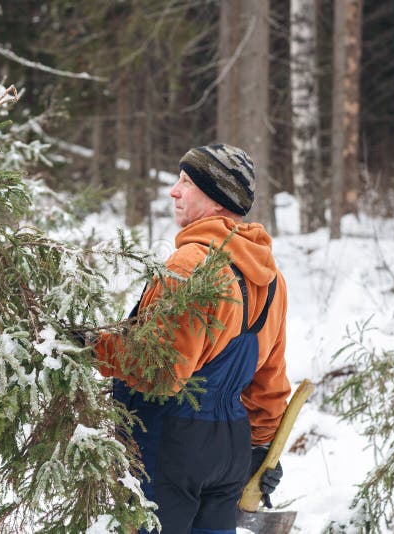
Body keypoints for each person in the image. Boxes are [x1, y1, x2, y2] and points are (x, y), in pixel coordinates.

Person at [92, 144, 291, 533]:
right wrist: (262, 447)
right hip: (230, 447)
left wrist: (90, 345)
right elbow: (270, 380)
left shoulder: (190, 265)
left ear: (216, 198)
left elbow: (161, 370)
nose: (174, 191)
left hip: (169, 443)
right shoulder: (271, 278)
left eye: (186, 182)